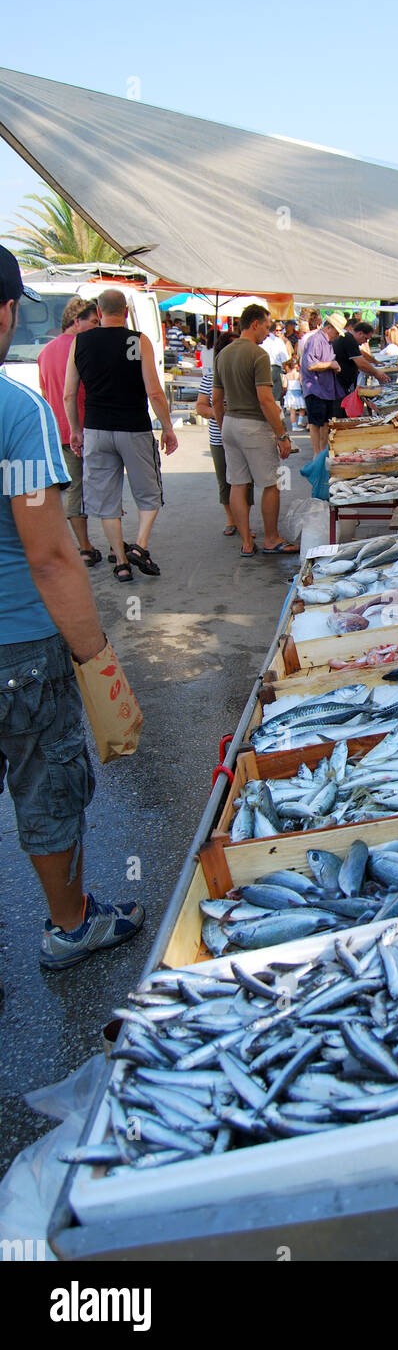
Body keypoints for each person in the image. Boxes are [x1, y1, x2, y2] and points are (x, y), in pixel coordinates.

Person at [0, 245, 145, 970]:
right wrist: (96, 657)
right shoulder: (12, 408)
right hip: (19, 647)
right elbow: (51, 554)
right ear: (4, 310)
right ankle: (70, 924)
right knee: (47, 786)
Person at [63, 289, 178, 583]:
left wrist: (76, 431)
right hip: (133, 428)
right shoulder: (137, 340)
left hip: (96, 429)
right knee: (149, 493)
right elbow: (154, 390)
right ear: (126, 312)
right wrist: (167, 427)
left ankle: (122, 563)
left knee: (105, 499)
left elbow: (68, 394)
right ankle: (139, 546)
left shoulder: (80, 341)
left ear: (98, 313)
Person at [212, 303, 298, 556]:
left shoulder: (223, 354)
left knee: (238, 484)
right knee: (271, 484)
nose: (268, 333)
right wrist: (282, 434)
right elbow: (265, 399)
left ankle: (247, 543)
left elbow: (217, 399)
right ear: (254, 324)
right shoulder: (258, 355)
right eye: (267, 327)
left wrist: (222, 425)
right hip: (253, 425)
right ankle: (271, 538)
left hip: (230, 423)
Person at [37, 296, 101, 565]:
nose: (97, 328)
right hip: (85, 427)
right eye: (93, 322)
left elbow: (45, 391)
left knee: (75, 487)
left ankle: (85, 545)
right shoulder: (83, 348)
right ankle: (101, 546)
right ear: (77, 321)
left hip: (58, 430)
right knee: (101, 485)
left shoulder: (44, 352)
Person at [195, 331, 254, 536]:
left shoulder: (248, 374)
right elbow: (201, 406)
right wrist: (219, 414)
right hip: (219, 437)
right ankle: (231, 520)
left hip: (245, 435)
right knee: (225, 481)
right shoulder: (211, 376)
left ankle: (244, 523)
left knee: (245, 482)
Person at [300, 311, 346, 455]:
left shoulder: (328, 342)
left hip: (326, 389)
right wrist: (331, 365)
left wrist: (334, 366)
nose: (337, 335)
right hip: (315, 388)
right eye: (337, 332)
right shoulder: (316, 340)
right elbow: (311, 364)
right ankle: (316, 454)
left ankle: (323, 453)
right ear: (329, 328)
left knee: (326, 423)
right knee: (315, 423)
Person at [333, 320, 391, 398]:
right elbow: (360, 363)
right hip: (341, 384)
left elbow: (361, 354)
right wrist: (376, 373)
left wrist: (375, 361)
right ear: (360, 333)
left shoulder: (349, 338)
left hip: (344, 383)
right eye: (365, 339)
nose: (365, 342)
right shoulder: (349, 339)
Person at [261, 319, 290, 406]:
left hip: (262, 369)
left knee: (263, 396)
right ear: (274, 330)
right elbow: (285, 360)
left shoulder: (261, 341)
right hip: (276, 369)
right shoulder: (278, 341)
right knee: (276, 399)